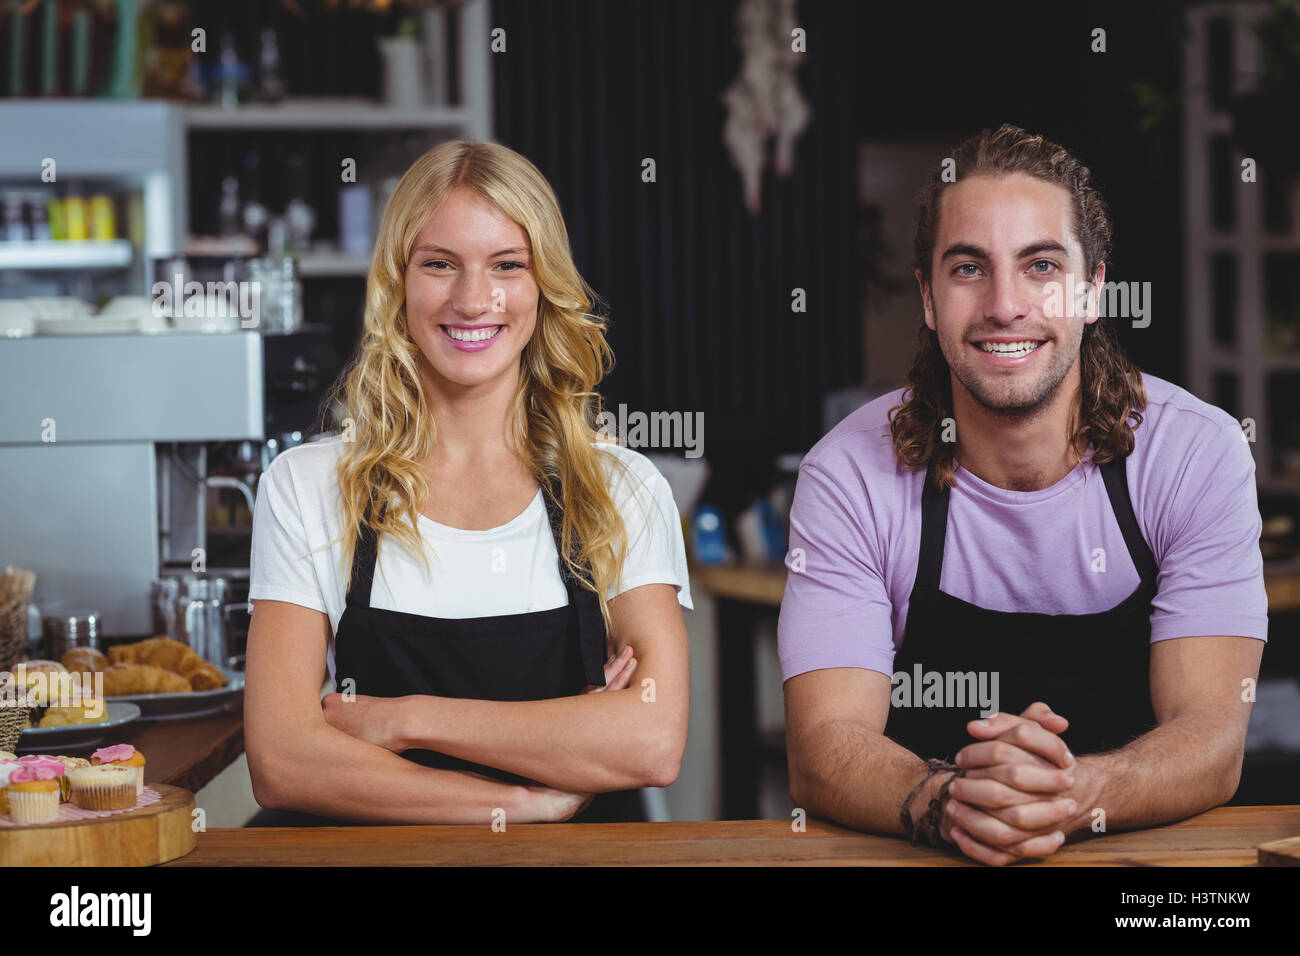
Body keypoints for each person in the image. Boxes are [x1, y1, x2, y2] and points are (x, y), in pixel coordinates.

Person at [778, 124, 1267, 864]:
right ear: (928, 297)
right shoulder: (847, 473)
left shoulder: (1196, 453)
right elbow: (823, 746)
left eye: (1040, 265)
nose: (1005, 305)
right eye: (968, 268)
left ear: (1094, 289)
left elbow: (1213, 736)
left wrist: (1071, 795)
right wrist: (948, 800)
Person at [244, 141, 692, 825]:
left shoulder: (622, 489)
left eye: (507, 265)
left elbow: (652, 742)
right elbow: (282, 760)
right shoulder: (306, 486)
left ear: (543, 284)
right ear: (398, 281)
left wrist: (405, 721)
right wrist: (516, 803)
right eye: (439, 265)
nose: (473, 299)